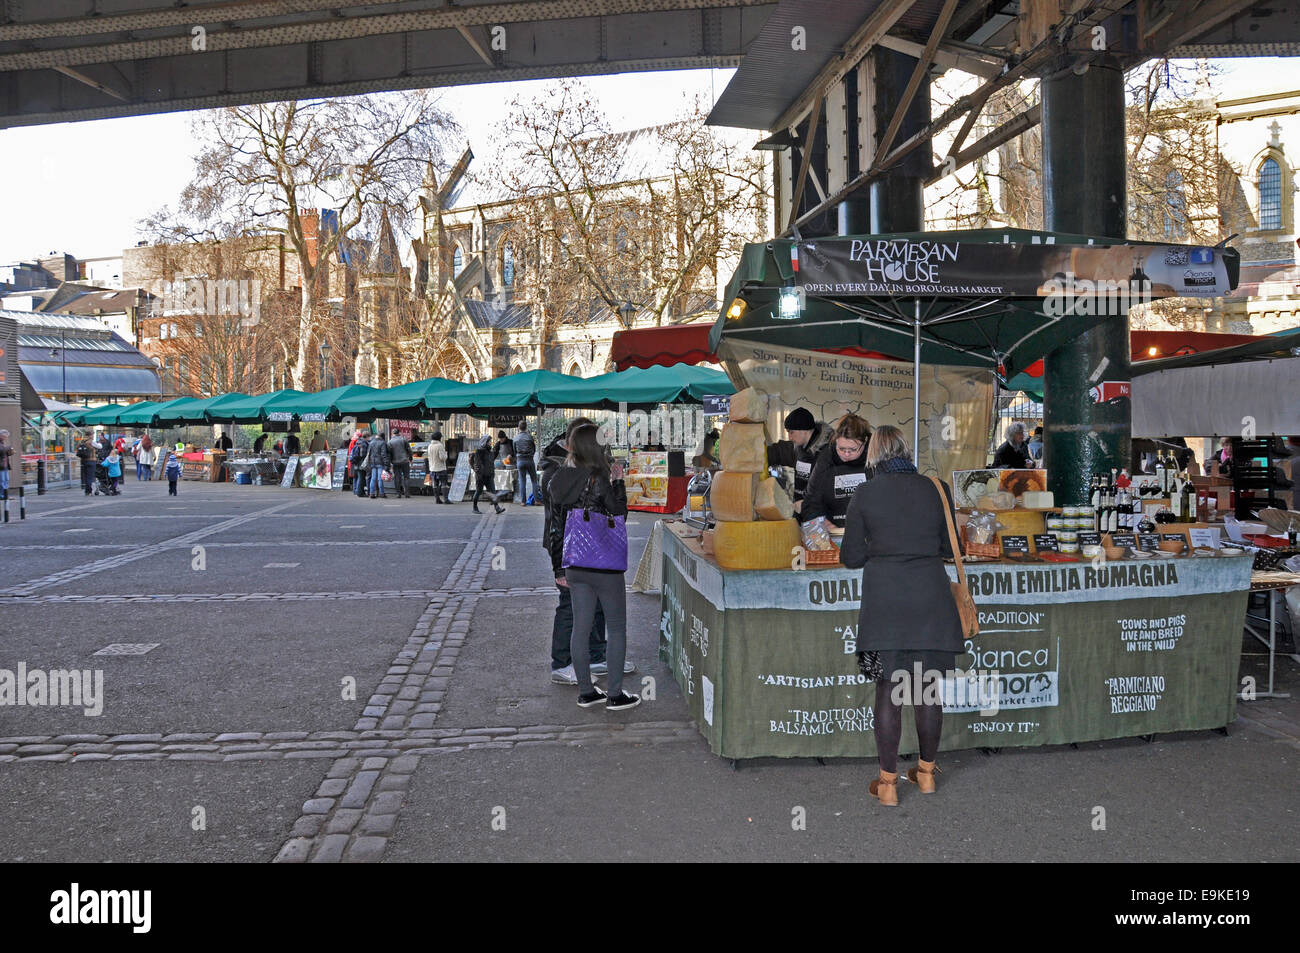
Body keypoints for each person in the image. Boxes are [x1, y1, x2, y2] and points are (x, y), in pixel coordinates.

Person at [839, 425, 964, 806]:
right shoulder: (936, 489)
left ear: (873, 454)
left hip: (886, 604)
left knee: (890, 690)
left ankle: (889, 784)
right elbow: (949, 546)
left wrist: (879, 546)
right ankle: (926, 775)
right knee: (926, 689)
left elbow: (850, 557)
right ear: (906, 452)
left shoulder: (865, 492)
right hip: (930, 598)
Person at [545, 423, 639, 711]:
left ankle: (586, 692)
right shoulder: (598, 477)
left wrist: (558, 570)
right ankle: (615, 694)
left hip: (574, 563)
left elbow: (555, 528)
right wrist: (619, 482)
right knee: (617, 627)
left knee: (580, 628)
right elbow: (619, 512)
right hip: (604, 566)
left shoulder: (557, 478)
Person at [541, 417, 616, 684]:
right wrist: (559, 567)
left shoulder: (590, 471)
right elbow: (556, 525)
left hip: (589, 553)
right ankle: (562, 664)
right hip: (569, 552)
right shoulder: (559, 473)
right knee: (569, 607)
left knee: (594, 606)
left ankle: (595, 656)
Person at [800, 414, 872, 530]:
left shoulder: (876, 460)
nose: (846, 454)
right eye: (841, 448)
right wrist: (820, 523)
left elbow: (887, 501)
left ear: (865, 442)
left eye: (853, 449)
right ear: (835, 440)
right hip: (834, 535)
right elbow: (811, 502)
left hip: (868, 536)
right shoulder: (825, 460)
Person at [770, 407, 833, 514]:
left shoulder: (828, 452)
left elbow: (830, 490)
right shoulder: (797, 448)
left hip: (820, 514)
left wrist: (807, 503)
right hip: (800, 511)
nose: (789, 437)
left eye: (791, 432)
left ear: (804, 431)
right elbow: (778, 452)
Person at [471, 434, 505, 514]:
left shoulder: (489, 451)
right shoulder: (479, 451)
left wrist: (497, 445)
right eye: (489, 441)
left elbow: (492, 459)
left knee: (493, 492)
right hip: (481, 476)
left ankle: (497, 508)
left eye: (490, 441)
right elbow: (476, 463)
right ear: (485, 442)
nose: (490, 442)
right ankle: (475, 507)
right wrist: (478, 472)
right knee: (478, 491)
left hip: (489, 475)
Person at [513, 420, 538, 505]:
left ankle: (523, 501)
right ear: (526, 427)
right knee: (534, 480)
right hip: (529, 460)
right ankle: (537, 500)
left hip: (520, 460)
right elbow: (534, 449)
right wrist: (531, 455)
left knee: (522, 481)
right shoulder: (530, 437)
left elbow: (514, 451)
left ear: (518, 428)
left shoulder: (515, 438)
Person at [388, 430, 413, 499]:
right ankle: (407, 493)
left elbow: (389, 454)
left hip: (395, 462)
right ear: (399, 433)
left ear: (393, 434)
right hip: (405, 461)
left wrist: (390, 462)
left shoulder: (390, 442)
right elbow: (409, 450)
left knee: (397, 477)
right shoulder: (404, 439)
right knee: (406, 477)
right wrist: (410, 459)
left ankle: (398, 493)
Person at [367, 430, 391, 499]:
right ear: (382, 436)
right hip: (380, 462)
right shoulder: (382, 443)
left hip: (373, 462)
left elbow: (369, 453)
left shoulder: (371, 442)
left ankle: (371, 493)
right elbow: (383, 454)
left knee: (373, 478)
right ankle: (382, 493)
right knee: (380, 479)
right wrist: (386, 464)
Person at [428, 431, 450, 504]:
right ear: (439, 438)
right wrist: (446, 454)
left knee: (435, 484)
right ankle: (446, 499)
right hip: (440, 468)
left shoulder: (430, 446)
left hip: (432, 468)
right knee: (444, 483)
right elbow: (442, 458)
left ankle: (437, 499)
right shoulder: (440, 445)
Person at [350, 431, 371, 497]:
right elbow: (363, 455)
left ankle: (357, 491)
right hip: (361, 463)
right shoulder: (363, 443)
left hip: (356, 463)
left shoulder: (358, 442)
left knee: (358, 477)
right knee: (361, 478)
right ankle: (360, 493)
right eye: (369, 437)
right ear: (367, 437)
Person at [0, 429, 12, 498]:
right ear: (1, 436)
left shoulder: (2, 443)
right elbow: (1, 450)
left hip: (5, 465)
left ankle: (6, 495)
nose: (5, 438)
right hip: (1, 466)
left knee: (6, 480)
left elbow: (3, 452)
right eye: (5, 437)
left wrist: (9, 453)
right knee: (2, 481)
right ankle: (2, 495)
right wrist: (9, 447)